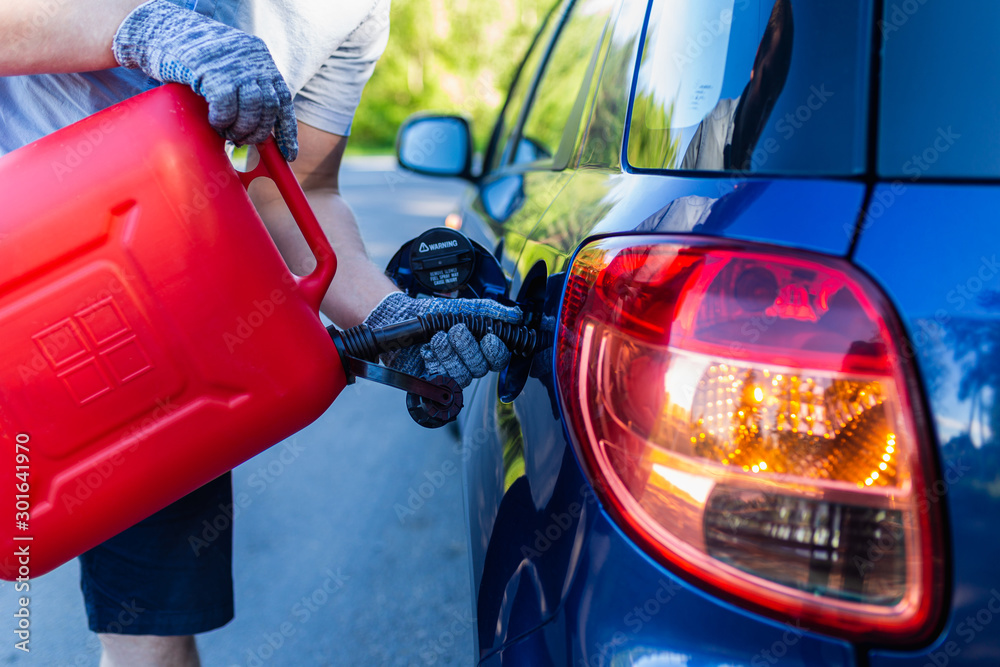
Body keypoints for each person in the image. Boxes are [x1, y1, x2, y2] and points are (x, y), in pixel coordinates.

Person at [0, 2, 518, 665]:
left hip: (157, 341)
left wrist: (391, 320)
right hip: (22, 269)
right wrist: (139, 29)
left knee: (150, 633)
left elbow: (295, 198)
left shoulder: (352, 13)